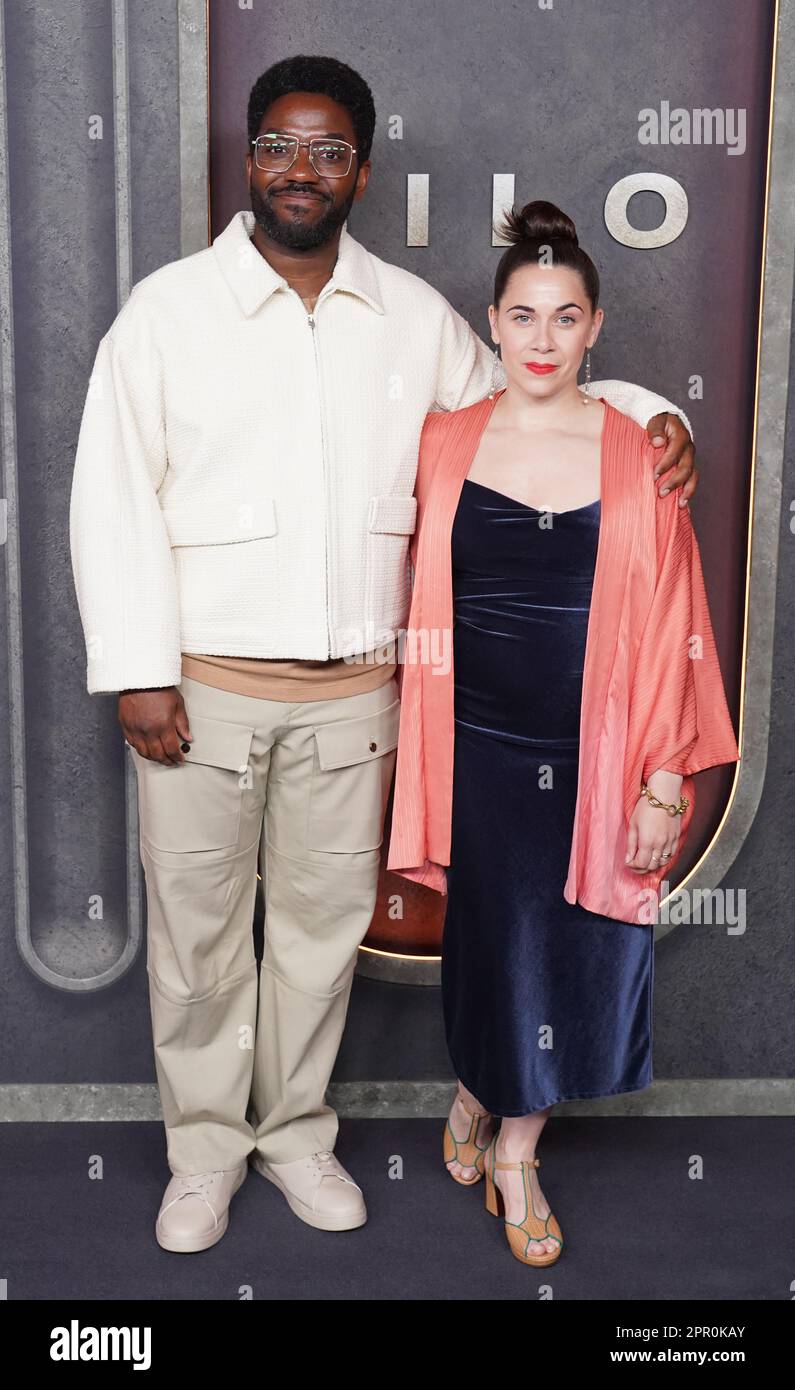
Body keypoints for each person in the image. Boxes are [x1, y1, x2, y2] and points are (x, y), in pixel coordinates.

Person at [69, 54, 699, 1255]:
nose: (299, 170)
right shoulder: (167, 312)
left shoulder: (410, 317)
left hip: (359, 697)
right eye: (278, 146)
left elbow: (529, 403)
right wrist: (139, 667)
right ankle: (203, 1155)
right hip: (200, 689)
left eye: (328, 151)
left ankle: (297, 1137)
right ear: (250, 159)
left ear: (361, 169)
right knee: (200, 942)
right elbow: (110, 493)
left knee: (318, 942)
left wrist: (654, 419)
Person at [386, 199, 739, 1268]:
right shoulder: (442, 443)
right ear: (492, 324)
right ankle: (476, 1088)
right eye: (523, 315)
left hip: (598, 749)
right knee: (492, 948)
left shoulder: (642, 456)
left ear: (596, 326)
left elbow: (676, 622)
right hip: (474, 748)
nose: (543, 339)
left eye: (566, 316)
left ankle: (517, 1153)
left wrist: (665, 779)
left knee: (571, 951)